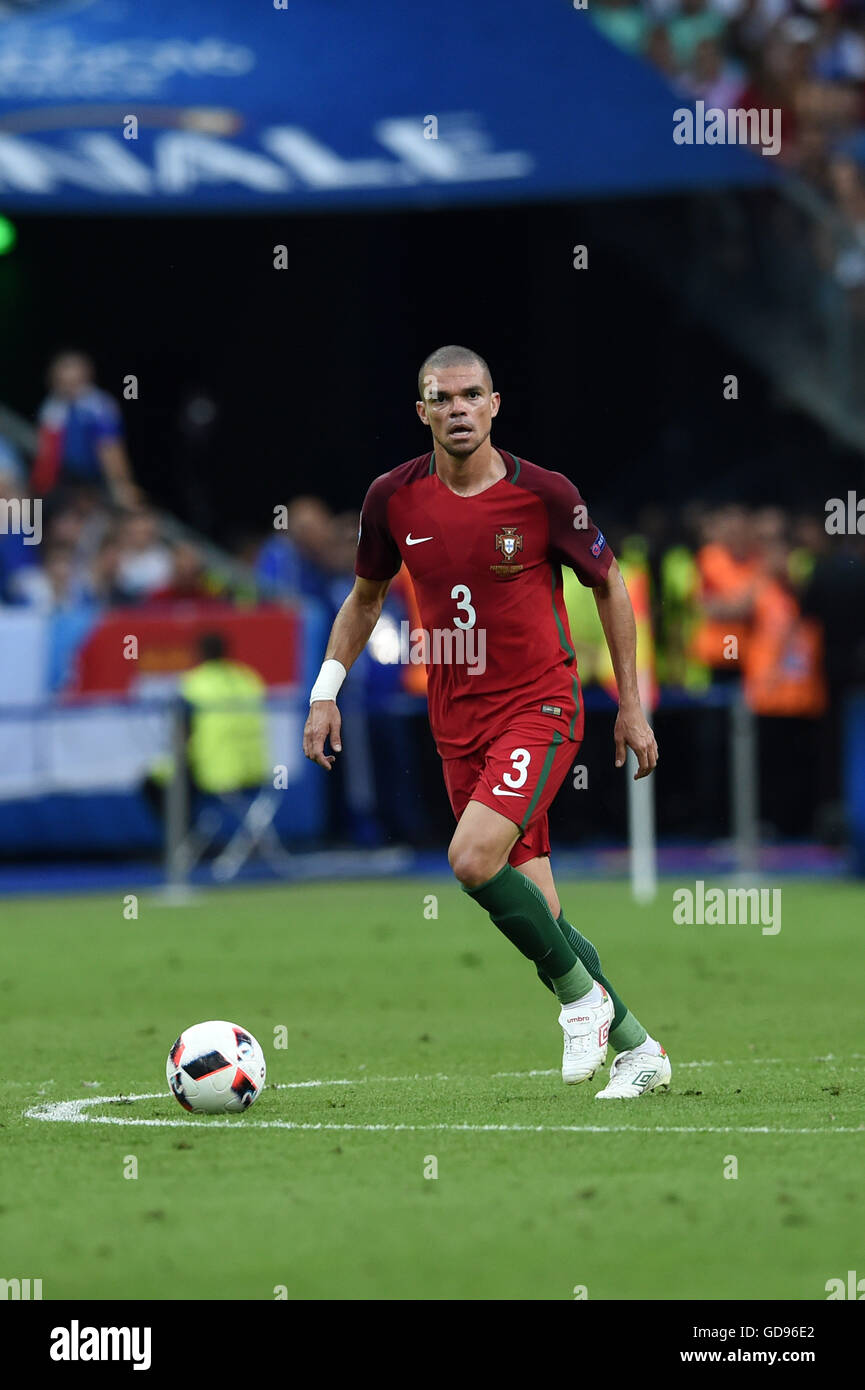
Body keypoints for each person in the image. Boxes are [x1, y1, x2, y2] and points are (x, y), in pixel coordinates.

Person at [303, 345, 668, 1100]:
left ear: (494, 405)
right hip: (455, 723)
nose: (459, 409)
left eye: (472, 395)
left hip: (540, 705)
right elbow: (365, 598)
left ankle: (581, 1003)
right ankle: (635, 1048)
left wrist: (628, 703)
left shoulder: (544, 495)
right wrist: (324, 690)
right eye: (443, 398)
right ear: (423, 412)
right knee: (542, 911)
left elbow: (610, 584)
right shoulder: (391, 500)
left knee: (470, 860)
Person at [31, 351, 139, 509]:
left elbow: (111, 449)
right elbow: (45, 453)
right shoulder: (51, 407)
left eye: (74, 382)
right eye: (62, 383)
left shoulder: (98, 407)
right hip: (61, 483)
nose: (68, 389)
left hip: (94, 484)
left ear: (86, 378)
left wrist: (121, 484)